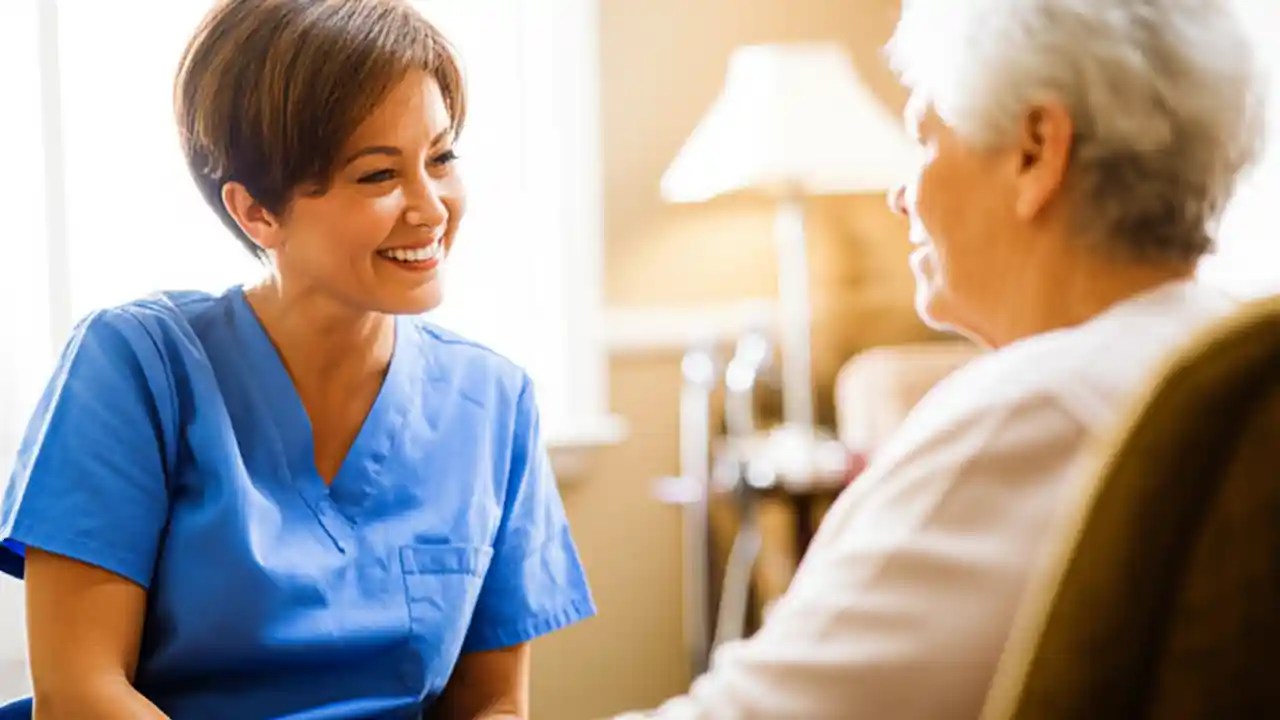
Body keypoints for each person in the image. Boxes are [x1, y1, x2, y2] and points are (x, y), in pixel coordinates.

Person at [620, 0, 1265, 717]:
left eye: (923, 140)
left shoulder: (1038, 413)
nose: (901, 195)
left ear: (1035, 151)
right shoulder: (1237, 366)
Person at [0, 1, 594, 718]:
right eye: (379, 175)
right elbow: (80, 695)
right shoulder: (134, 367)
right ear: (256, 212)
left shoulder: (495, 402)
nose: (432, 207)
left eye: (440, 158)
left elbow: (491, 705)